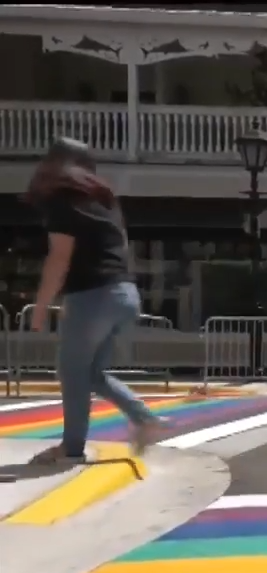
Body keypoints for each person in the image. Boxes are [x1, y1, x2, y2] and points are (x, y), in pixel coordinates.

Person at [24, 138, 162, 464]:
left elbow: (59, 258)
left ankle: (71, 449)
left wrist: (40, 309)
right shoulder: (106, 199)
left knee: (72, 372)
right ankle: (145, 419)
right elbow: (121, 246)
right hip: (124, 294)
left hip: (93, 296)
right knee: (93, 374)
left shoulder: (63, 202)